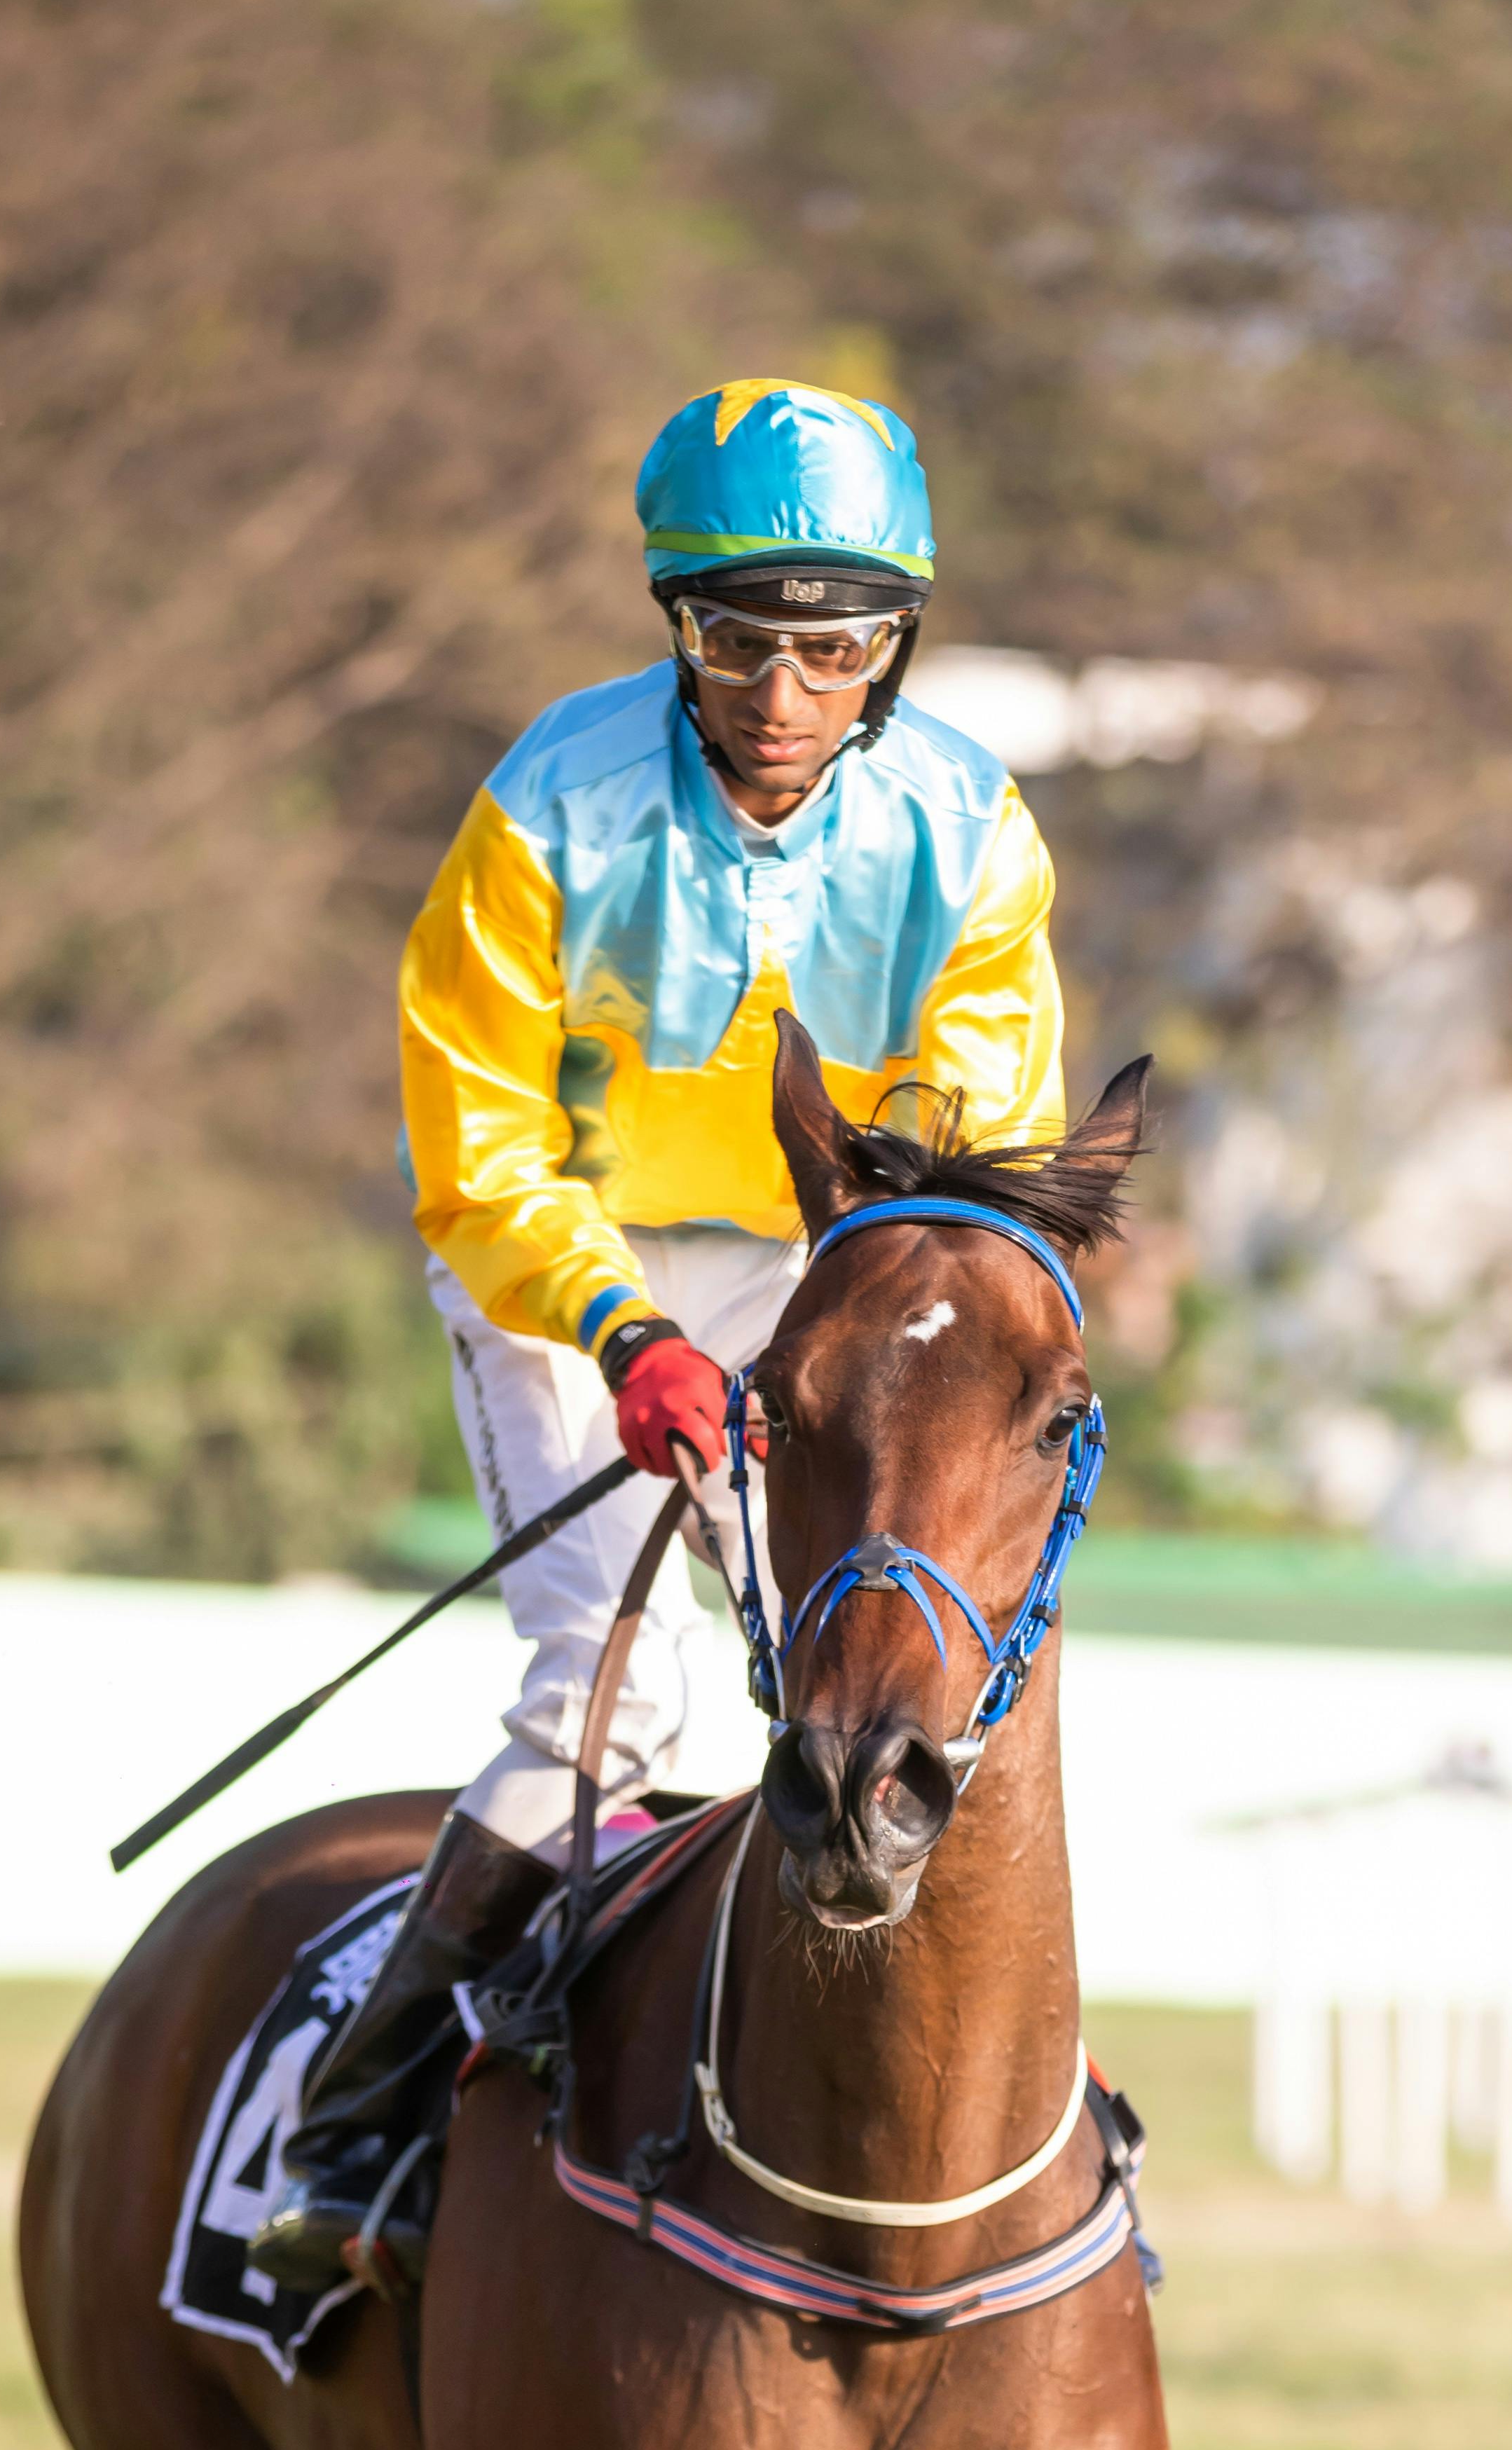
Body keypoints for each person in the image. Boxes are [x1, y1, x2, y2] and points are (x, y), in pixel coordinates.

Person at [249, 376, 1067, 2287]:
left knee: (877, 1671)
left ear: (895, 645)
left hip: (815, 1272)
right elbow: (478, 1145)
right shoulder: (554, 801)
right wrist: (626, 1333)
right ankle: (359, 2124)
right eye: (736, 639)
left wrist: (856, 1328)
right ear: (673, 625)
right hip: (567, 1260)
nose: (785, 694)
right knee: (623, 1702)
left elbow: (969, 1153)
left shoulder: (970, 830)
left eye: (836, 648)